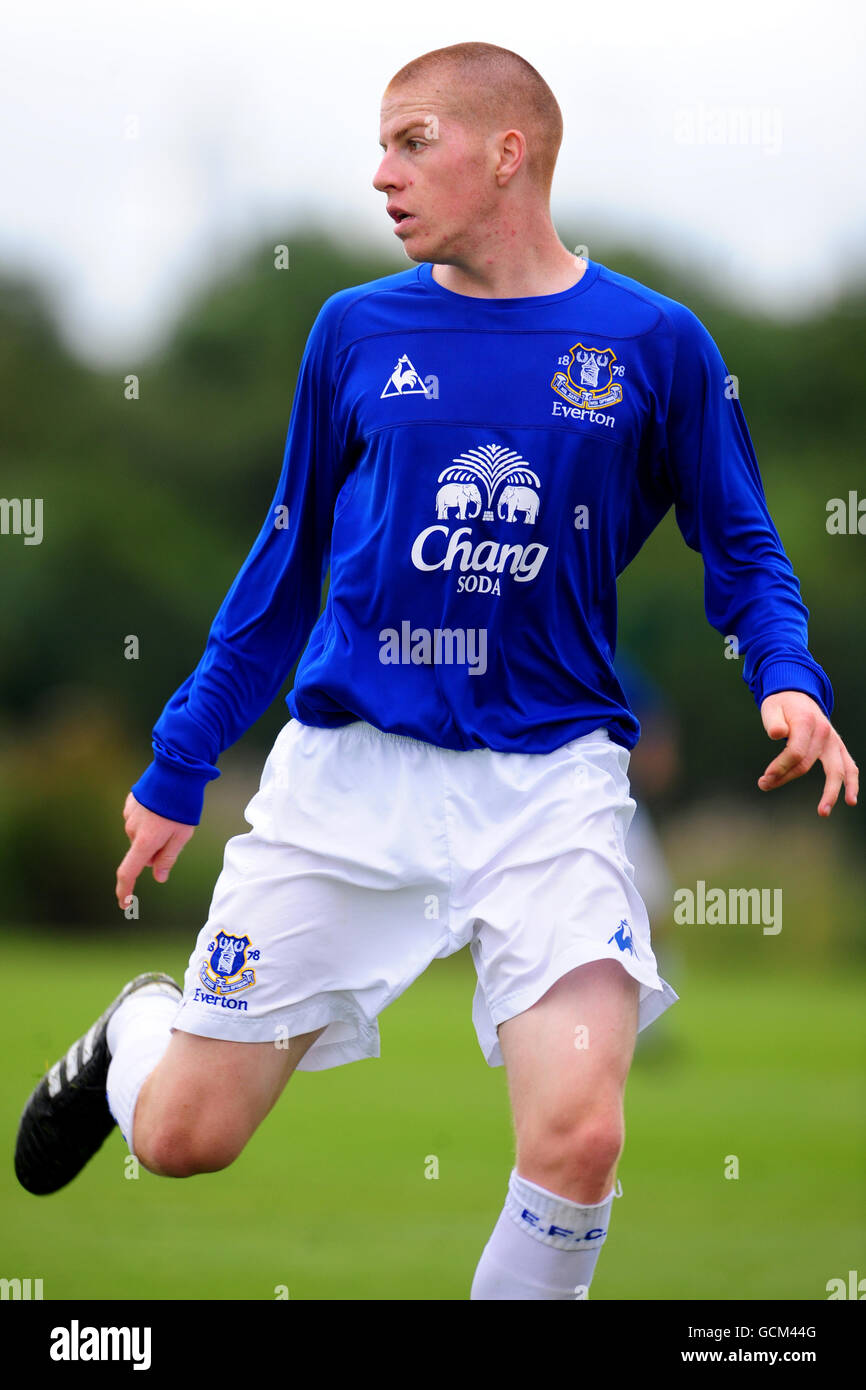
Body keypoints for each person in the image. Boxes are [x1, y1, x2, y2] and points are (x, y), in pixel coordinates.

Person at [15, 41, 858, 1301]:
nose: (380, 175)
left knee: (580, 1135)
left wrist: (785, 674)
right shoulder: (351, 331)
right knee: (185, 1139)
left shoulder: (654, 343)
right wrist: (181, 758)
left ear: (506, 153)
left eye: (412, 142)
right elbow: (282, 567)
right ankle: (138, 1032)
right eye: (379, 145)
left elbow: (738, 541)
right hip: (344, 785)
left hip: (552, 786)